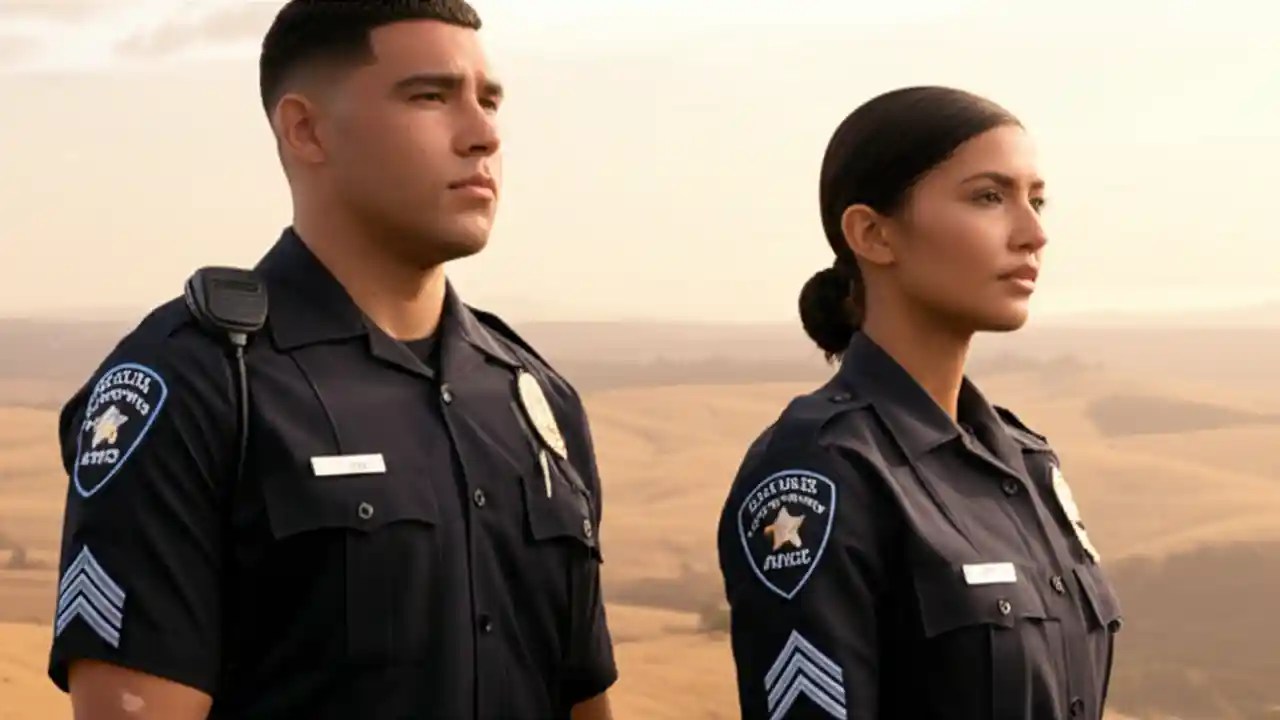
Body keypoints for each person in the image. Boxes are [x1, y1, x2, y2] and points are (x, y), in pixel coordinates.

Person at [47, 2, 617, 718]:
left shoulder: (534, 402)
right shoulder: (196, 387)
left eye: (490, 100)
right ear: (306, 130)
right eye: (430, 96)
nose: (483, 134)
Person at [716, 86, 1124, 720]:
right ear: (874, 234)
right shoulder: (824, 471)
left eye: (1037, 200)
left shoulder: (1026, 464)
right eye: (988, 197)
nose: (1034, 233)